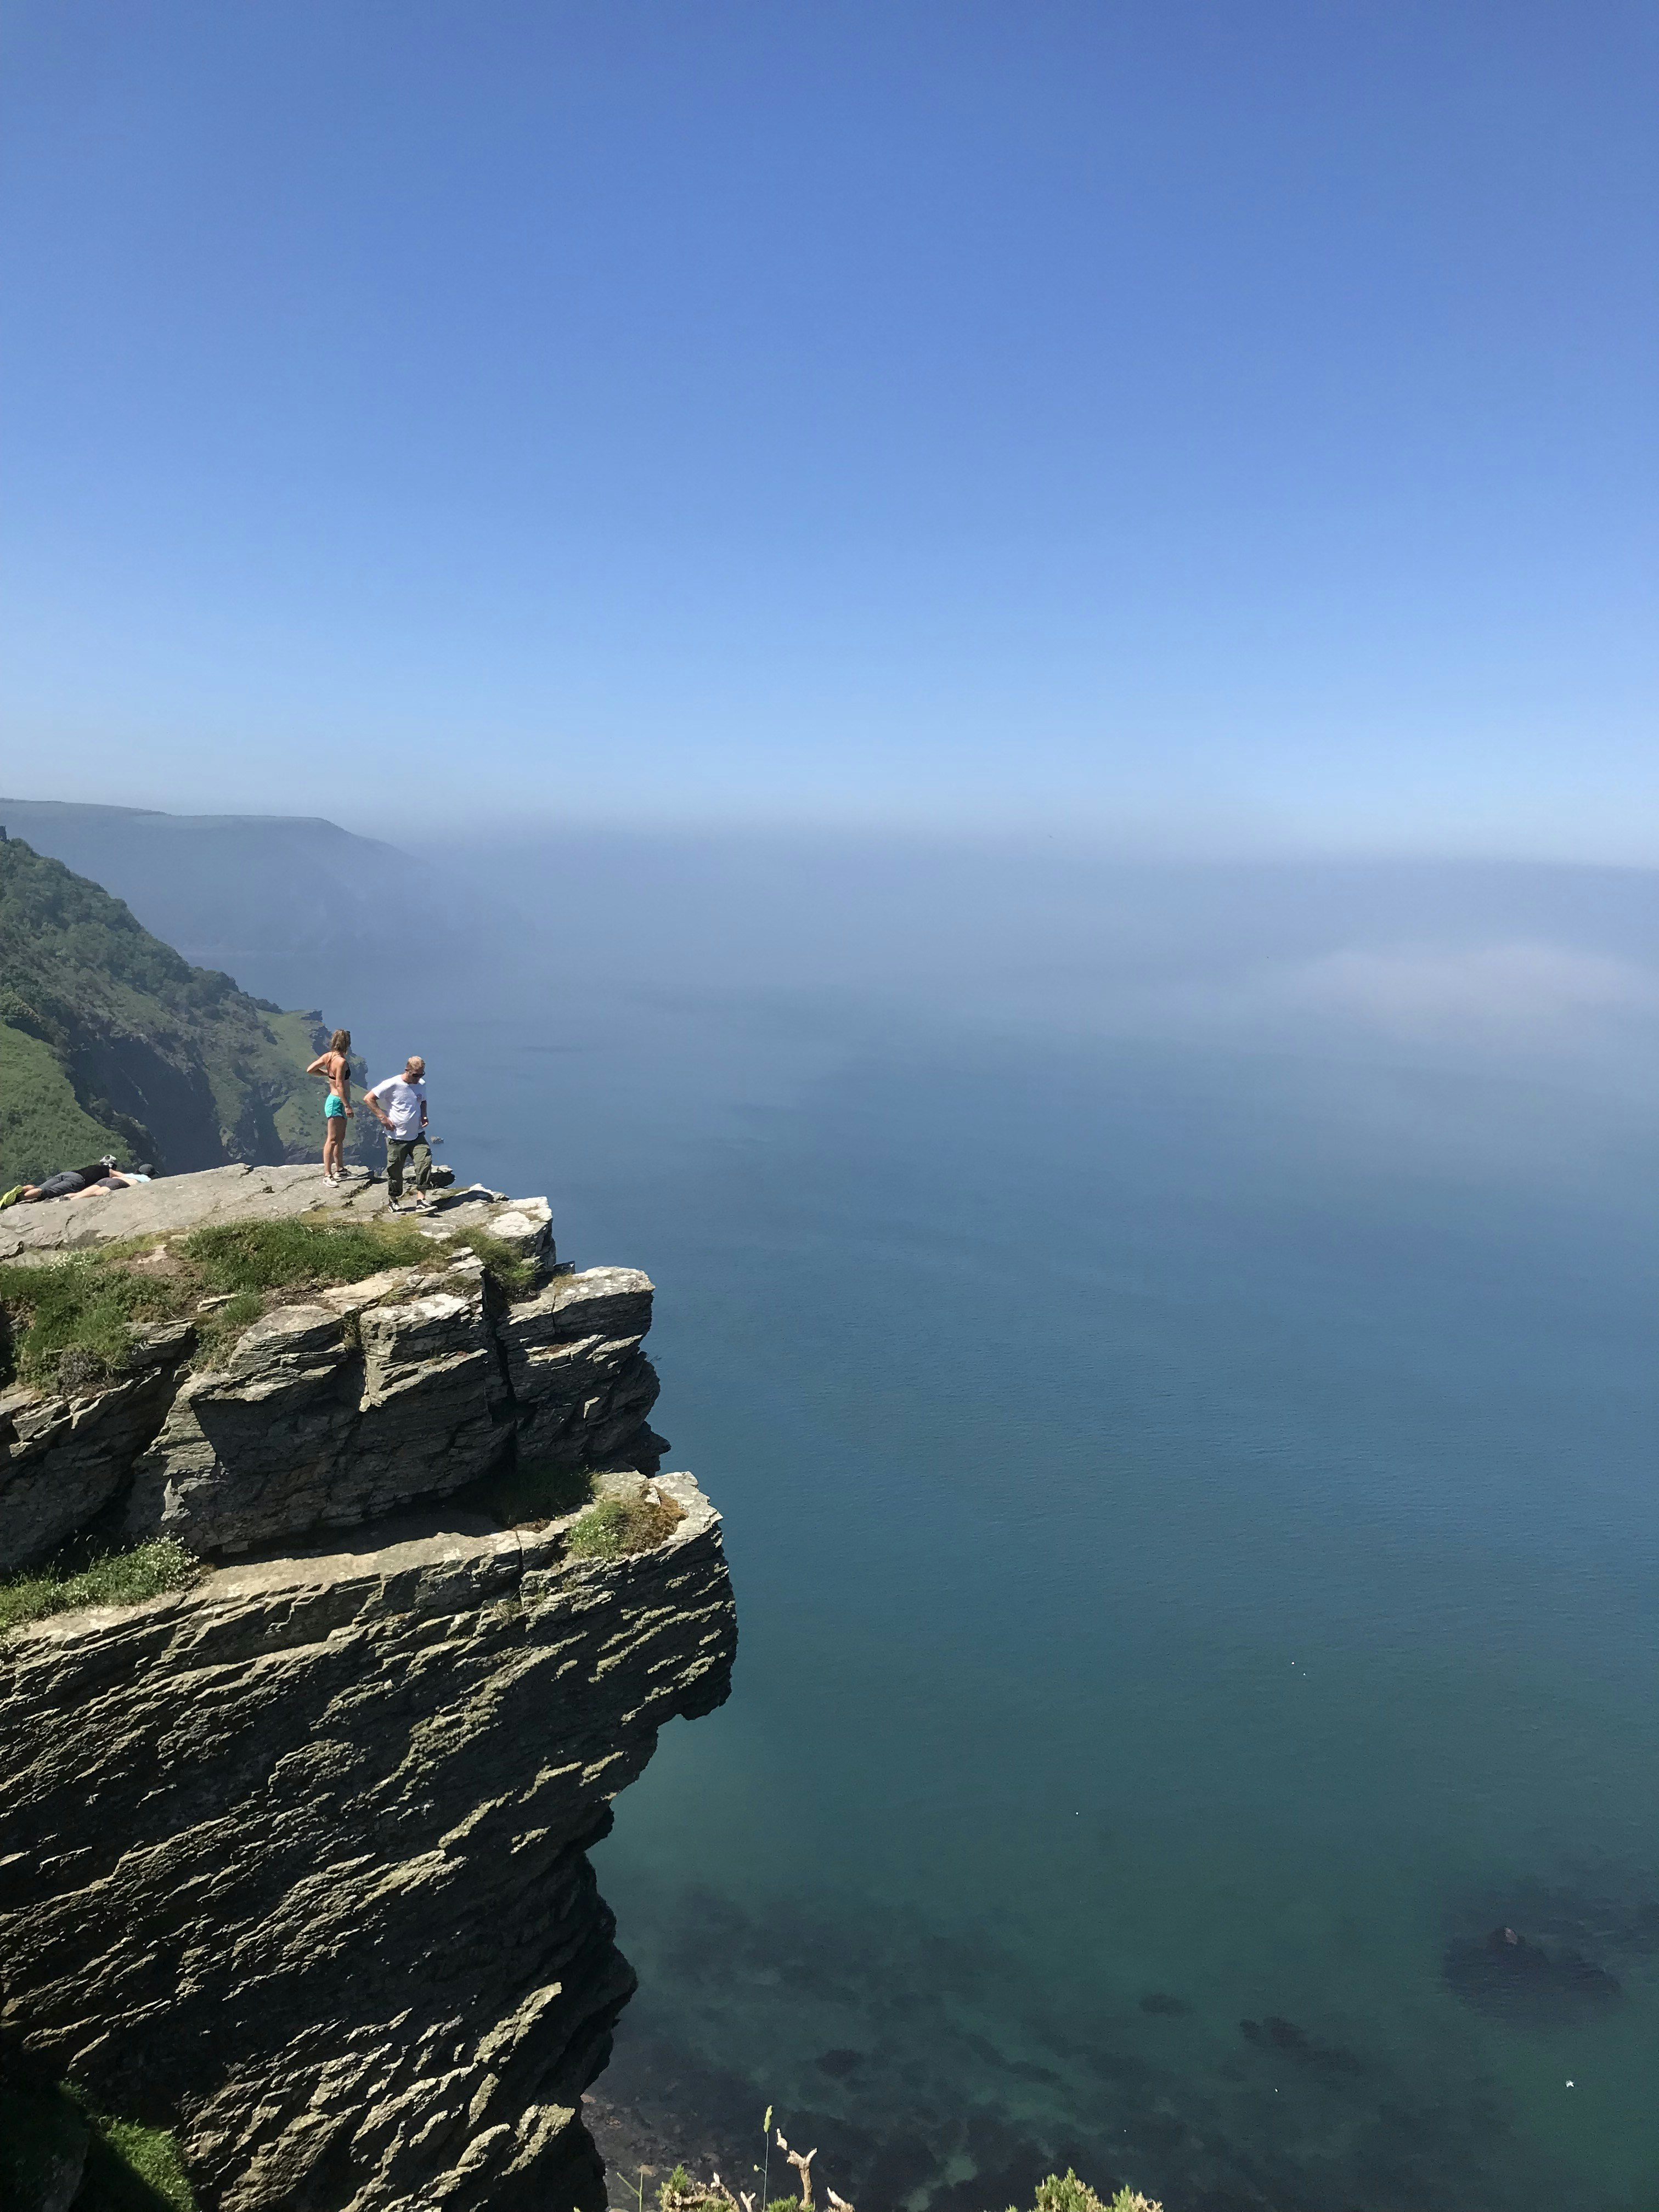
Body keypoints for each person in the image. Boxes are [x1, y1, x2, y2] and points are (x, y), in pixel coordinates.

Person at [364, 1054, 432, 1211]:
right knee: (395, 1170)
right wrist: (383, 1117)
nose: (418, 1078)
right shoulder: (392, 1084)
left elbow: (423, 1100)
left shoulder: (421, 1084)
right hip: (397, 1137)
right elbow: (369, 1098)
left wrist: (424, 1115)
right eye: (415, 1075)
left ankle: (421, 1200)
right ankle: (393, 1200)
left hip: (417, 1135)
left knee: (424, 1162)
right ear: (407, 1070)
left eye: (422, 1074)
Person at [306, 1029, 356, 1183]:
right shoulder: (341, 1062)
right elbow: (340, 1085)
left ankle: (340, 1169)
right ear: (347, 1044)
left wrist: (326, 1074)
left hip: (335, 1100)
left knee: (340, 1138)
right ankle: (327, 1174)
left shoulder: (329, 1056)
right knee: (332, 1139)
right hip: (337, 1102)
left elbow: (310, 1070)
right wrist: (347, 1106)